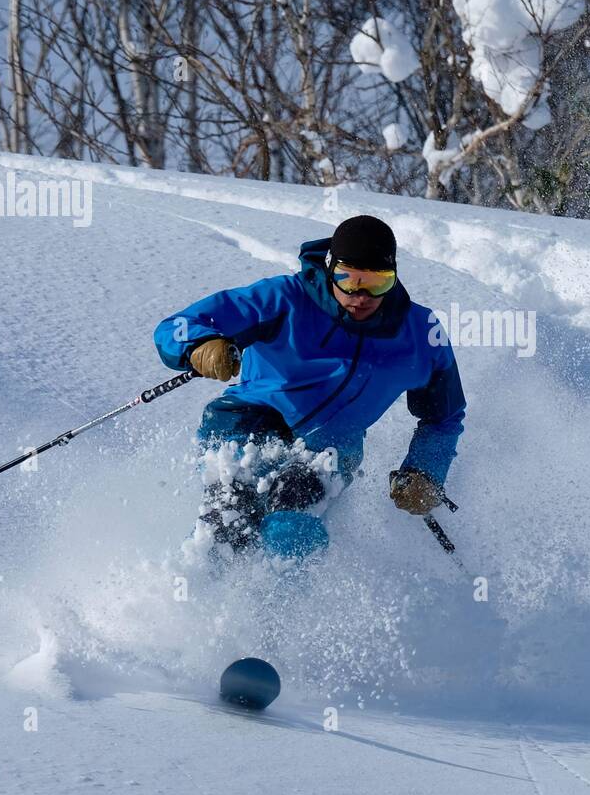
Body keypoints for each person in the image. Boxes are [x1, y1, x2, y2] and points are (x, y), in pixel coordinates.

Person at [153, 215, 465, 559]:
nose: (361, 296)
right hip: (248, 418)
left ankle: (283, 606)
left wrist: (424, 471)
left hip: (331, 446)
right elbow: (178, 326)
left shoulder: (421, 334)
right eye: (349, 279)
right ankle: (194, 591)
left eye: (377, 283)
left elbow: (444, 417)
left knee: (293, 524)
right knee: (232, 518)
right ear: (331, 269)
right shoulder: (285, 298)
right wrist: (199, 344)